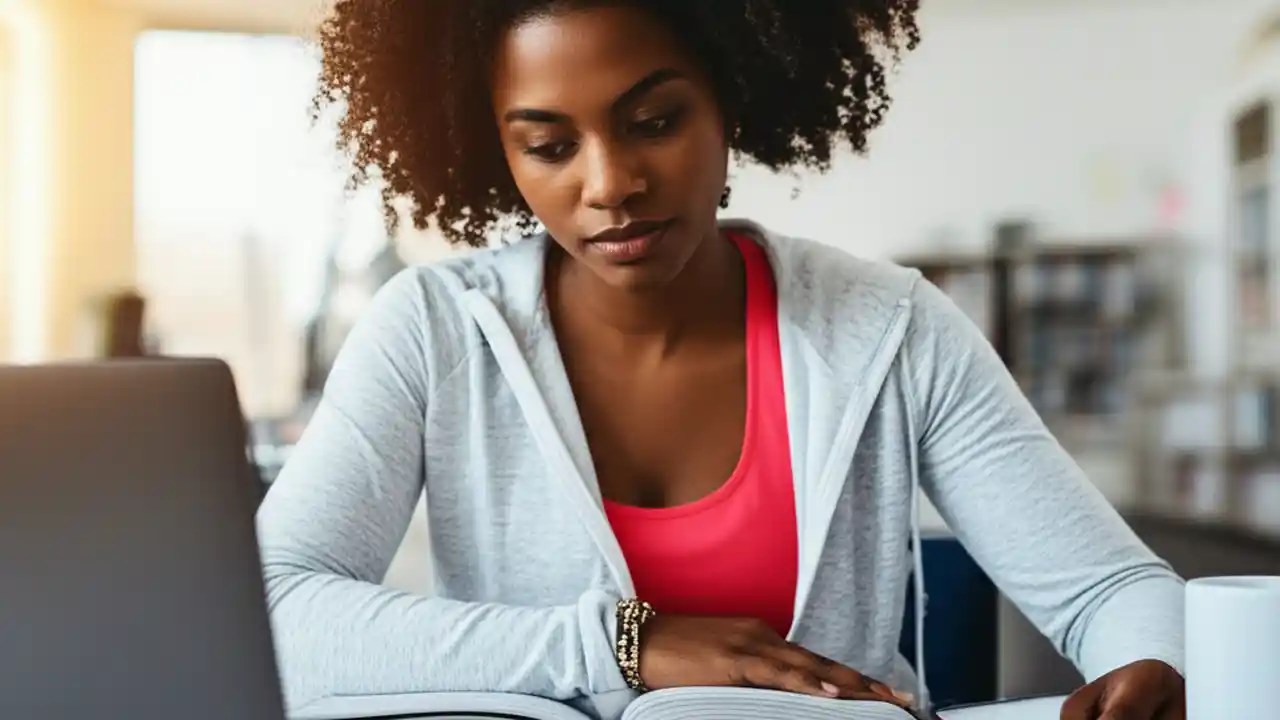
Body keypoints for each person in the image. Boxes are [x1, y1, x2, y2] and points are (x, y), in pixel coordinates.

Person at [256, 2, 1187, 719]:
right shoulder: (433, 330)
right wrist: (625, 645)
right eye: (548, 146)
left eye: (654, 121)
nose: (610, 184)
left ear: (731, 101)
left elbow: (1111, 588)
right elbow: (273, 610)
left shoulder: (891, 327)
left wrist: (1151, 661)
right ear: (492, 151)